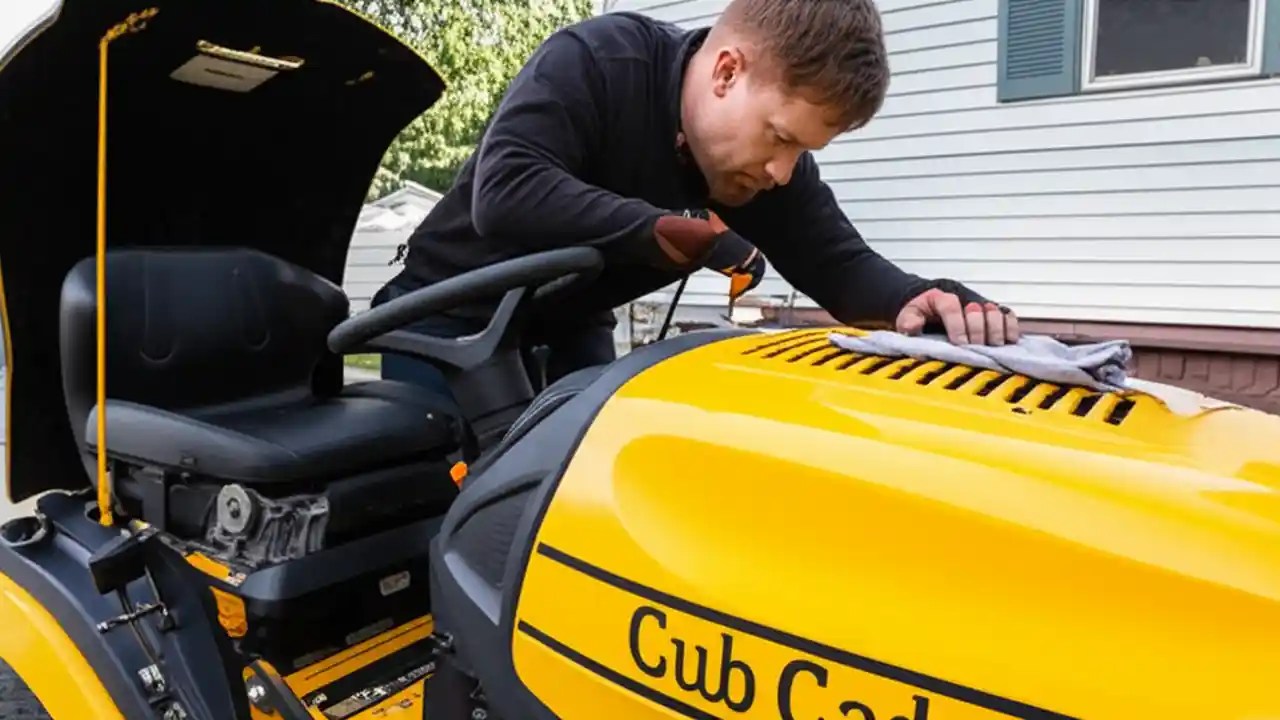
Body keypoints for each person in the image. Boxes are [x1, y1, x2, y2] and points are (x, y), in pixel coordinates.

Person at [373, 0, 1020, 395]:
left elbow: (840, 265)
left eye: (804, 152)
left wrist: (920, 299)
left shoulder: (758, 166)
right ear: (727, 72)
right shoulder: (597, 61)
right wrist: (672, 228)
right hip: (442, 322)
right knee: (436, 525)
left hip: (569, 328)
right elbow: (508, 188)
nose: (784, 171)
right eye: (782, 139)